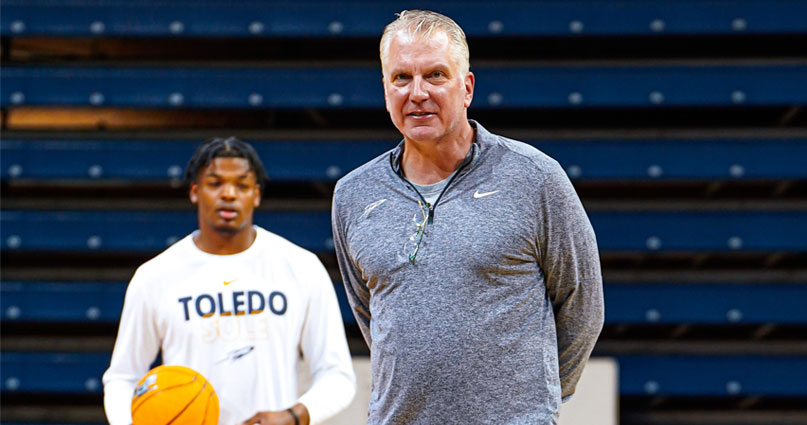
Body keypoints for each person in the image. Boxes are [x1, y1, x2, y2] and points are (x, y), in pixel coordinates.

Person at [331, 10, 604, 425]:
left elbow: (583, 306)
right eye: (401, 78)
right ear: (385, 90)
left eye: (435, 75)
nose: (417, 93)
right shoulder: (353, 194)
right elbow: (372, 317)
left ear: (467, 88)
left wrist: (538, 403)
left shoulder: (534, 178)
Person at [103, 137, 355, 425]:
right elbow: (123, 377)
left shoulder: (301, 267)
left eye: (242, 185)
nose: (229, 194)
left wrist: (293, 417)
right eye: (215, 183)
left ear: (256, 195)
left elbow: (338, 376)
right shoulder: (155, 276)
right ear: (195, 191)